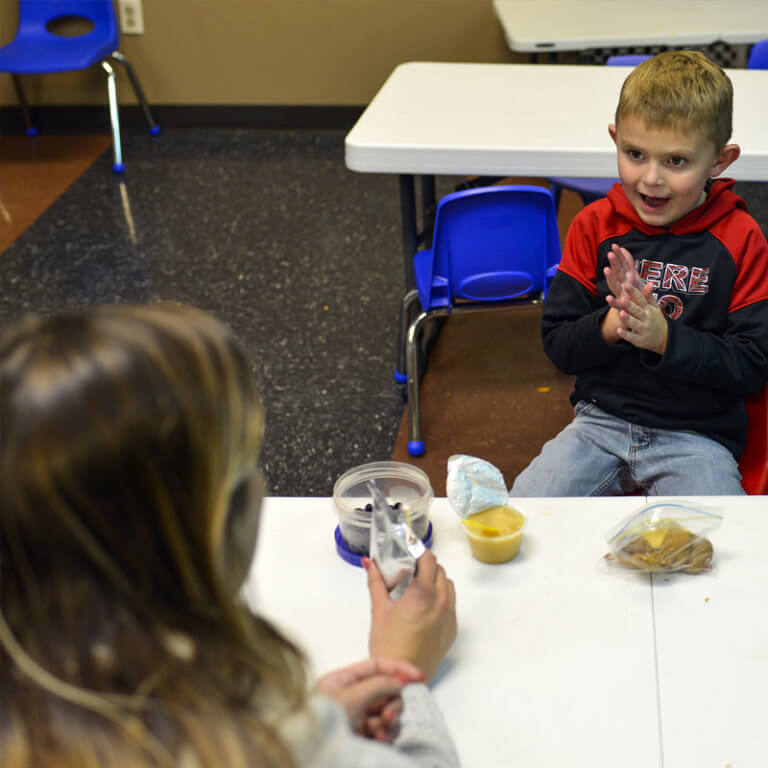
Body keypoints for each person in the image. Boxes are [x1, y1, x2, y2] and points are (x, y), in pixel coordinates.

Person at [0, 303, 458, 767]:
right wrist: (404, 675)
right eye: (245, 465)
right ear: (210, 531)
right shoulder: (247, 750)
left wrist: (310, 719)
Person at [512, 50, 768, 497]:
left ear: (720, 161)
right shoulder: (593, 226)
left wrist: (664, 338)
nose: (651, 178)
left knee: (719, 535)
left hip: (698, 437)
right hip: (599, 425)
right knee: (528, 515)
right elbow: (559, 346)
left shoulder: (741, 239)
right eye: (635, 154)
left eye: (676, 161)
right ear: (615, 140)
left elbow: (752, 366)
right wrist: (611, 325)